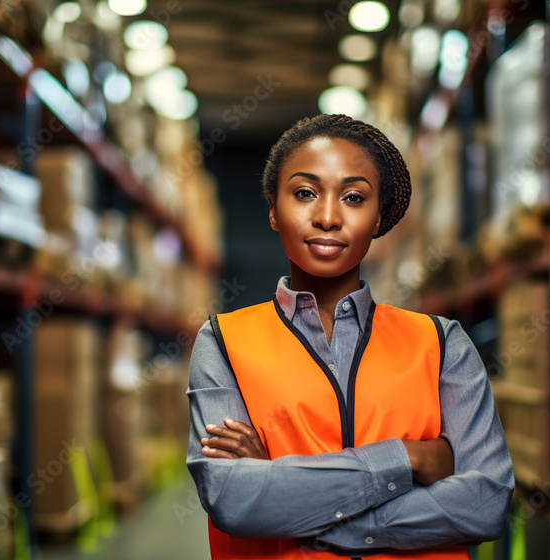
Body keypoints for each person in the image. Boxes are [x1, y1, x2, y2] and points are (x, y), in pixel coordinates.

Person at [186, 114, 514, 559]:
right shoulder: (224, 342)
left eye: (354, 197)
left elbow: (485, 504)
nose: (326, 217)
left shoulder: (441, 344)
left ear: (379, 217)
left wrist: (284, 488)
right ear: (272, 209)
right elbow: (236, 501)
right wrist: (407, 459)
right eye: (304, 193)